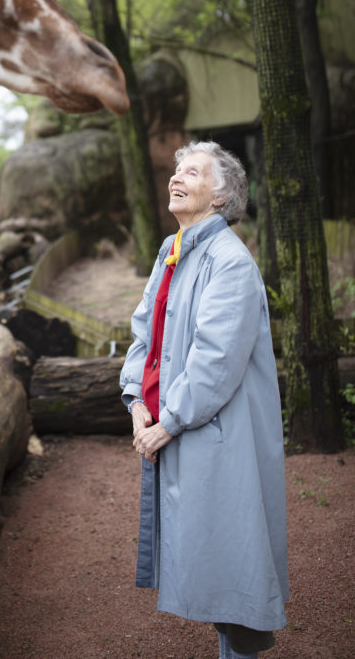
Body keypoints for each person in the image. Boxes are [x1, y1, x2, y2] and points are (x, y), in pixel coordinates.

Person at [120, 141, 289, 659]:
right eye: (177, 171)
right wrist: (135, 402)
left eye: (192, 173)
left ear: (220, 197)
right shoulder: (173, 249)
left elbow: (216, 361)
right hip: (179, 429)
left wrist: (166, 422)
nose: (177, 178)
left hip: (218, 436)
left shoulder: (230, 262)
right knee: (214, 561)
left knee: (232, 566)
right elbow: (143, 331)